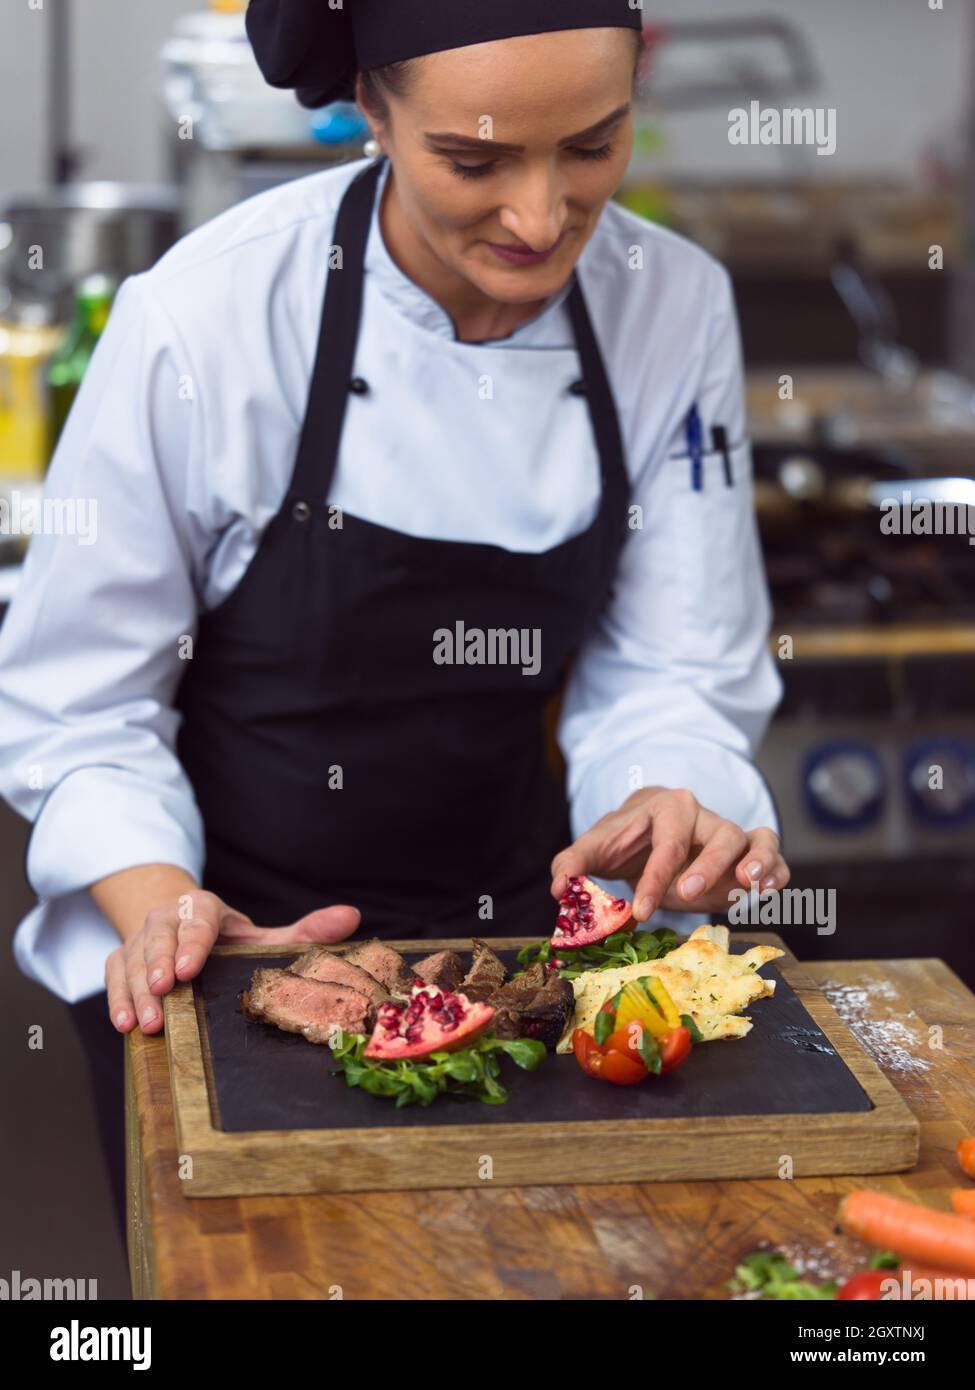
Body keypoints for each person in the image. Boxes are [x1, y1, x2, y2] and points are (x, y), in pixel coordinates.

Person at [0, 0, 787, 1233]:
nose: (542, 218)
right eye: (474, 160)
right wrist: (165, 910)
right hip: (223, 948)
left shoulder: (669, 302)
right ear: (369, 108)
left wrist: (667, 801)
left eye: (592, 145)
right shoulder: (205, 317)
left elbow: (672, 665)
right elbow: (76, 703)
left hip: (520, 956)